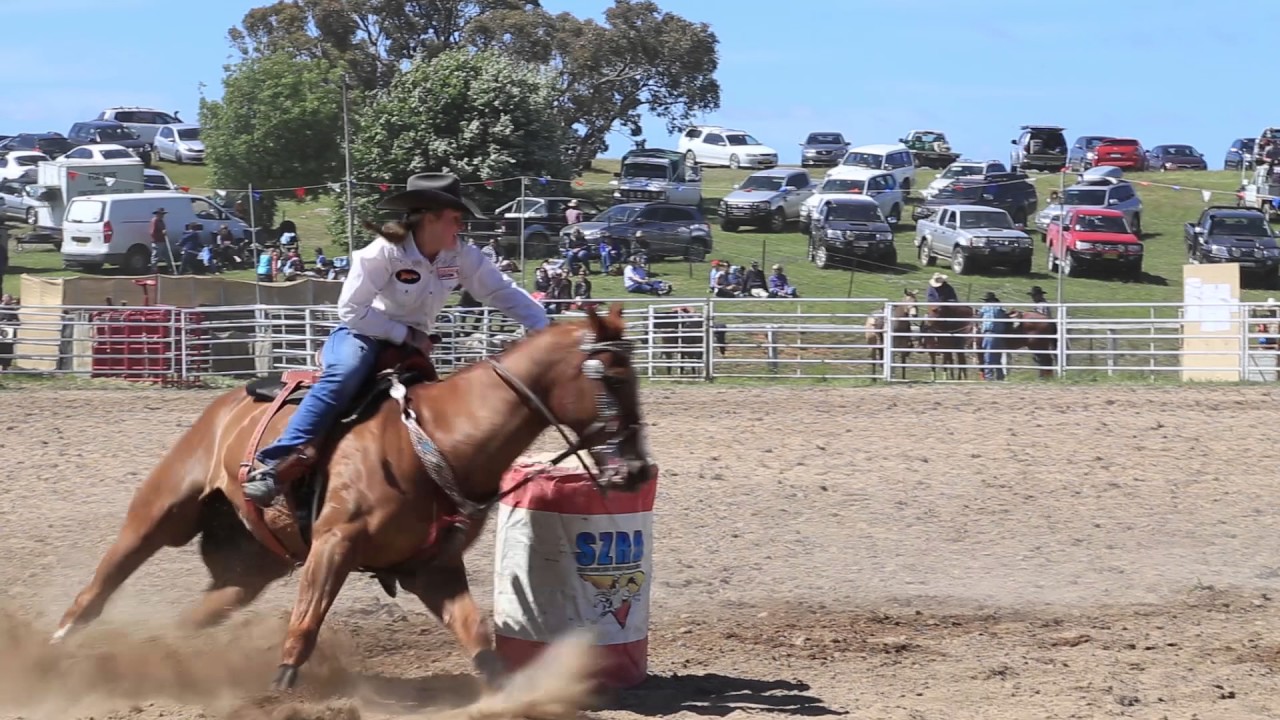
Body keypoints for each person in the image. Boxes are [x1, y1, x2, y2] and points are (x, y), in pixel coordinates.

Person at [242, 172, 550, 507]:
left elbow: (500, 290)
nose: (459, 228)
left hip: (412, 345)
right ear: (430, 217)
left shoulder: (460, 255)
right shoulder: (383, 253)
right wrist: (407, 335)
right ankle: (274, 465)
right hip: (362, 333)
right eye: (455, 219)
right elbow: (350, 310)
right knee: (344, 373)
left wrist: (544, 328)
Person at [978, 291, 1009, 381]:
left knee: (988, 356)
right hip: (999, 334)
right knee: (997, 356)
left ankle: (989, 377)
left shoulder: (985, 308)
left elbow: (979, 317)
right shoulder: (1000, 308)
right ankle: (1000, 376)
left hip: (989, 333)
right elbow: (1005, 317)